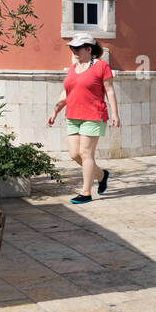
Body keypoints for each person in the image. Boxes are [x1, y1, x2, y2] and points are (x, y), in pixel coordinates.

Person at [47, 35, 120, 204]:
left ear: (89, 49)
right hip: (73, 115)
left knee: (86, 153)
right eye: (72, 48)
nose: (74, 51)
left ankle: (86, 192)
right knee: (74, 154)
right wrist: (55, 110)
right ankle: (102, 175)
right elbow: (66, 92)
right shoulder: (73, 68)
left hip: (94, 115)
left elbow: (109, 91)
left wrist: (115, 114)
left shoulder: (101, 66)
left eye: (77, 48)